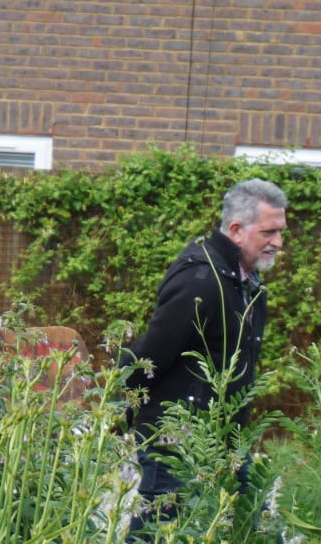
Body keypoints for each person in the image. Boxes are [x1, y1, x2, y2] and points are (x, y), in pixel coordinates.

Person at [121, 178, 287, 524]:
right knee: (155, 543)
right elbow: (151, 355)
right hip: (177, 436)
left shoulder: (245, 282)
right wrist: (116, 409)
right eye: (269, 233)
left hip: (224, 437)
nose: (278, 243)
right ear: (237, 229)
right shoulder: (202, 279)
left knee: (249, 528)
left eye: (280, 232)